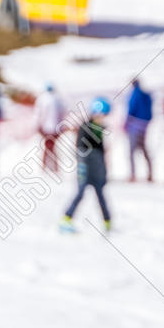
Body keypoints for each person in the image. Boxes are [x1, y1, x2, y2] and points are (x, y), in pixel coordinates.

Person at [60, 97, 112, 233]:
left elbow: (101, 153)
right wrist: (82, 168)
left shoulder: (99, 130)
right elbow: (80, 150)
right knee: (80, 193)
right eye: (101, 115)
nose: (102, 118)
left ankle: (107, 221)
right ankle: (67, 218)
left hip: (96, 170)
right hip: (86, 168)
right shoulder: (86, 128)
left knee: (101, 195)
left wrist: (103, 172)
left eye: (104, 116)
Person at [124, 78, 154, 183]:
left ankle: (133, 175)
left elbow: (131, 109)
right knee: (144, 151)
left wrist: (126, 124)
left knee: (131, 152)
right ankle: (150, 174)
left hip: (134, 127)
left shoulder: (134, 95)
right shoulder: (147, 95)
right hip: (144, 127)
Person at [35, 83, 66, 174]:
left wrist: (38, 125)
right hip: (55, 128)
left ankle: (45, 167)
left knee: (47, 147)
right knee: (52, 147)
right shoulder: (58, 99)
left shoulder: (42, 99)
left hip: (46, 128)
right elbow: (62, 114)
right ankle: (54, 167)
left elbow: (39, 114)